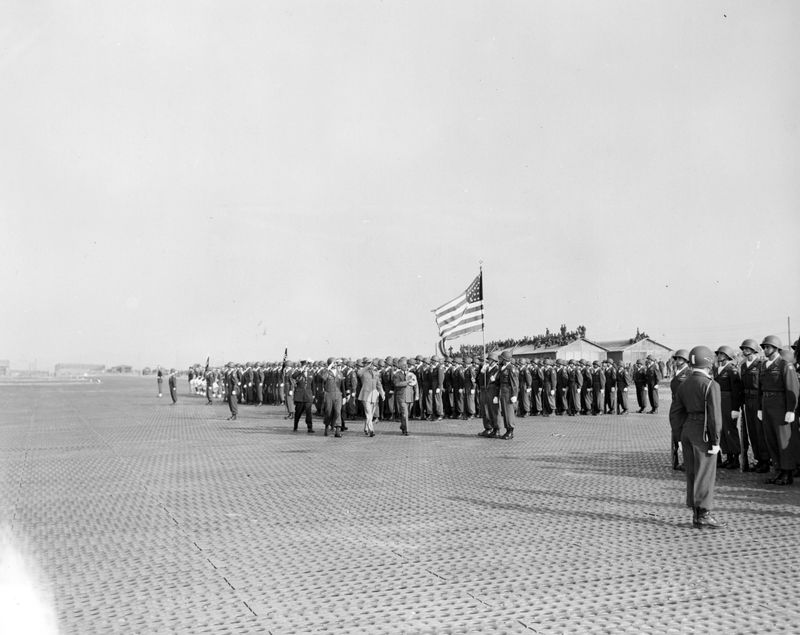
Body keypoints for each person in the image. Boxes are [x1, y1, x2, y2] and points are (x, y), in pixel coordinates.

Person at [669, 346, 727, 529]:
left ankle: (696, 513)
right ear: (708, 363)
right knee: (705, 474)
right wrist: (716, 440)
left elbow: (675, 413)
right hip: (704, 432)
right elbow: (714, 416)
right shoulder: (711, 385)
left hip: (687, 430)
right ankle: (704, 514)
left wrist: (679, 437)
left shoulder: (683, 383)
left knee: (692, 473)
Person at [758, 335, 799, 485]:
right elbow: (759, 389)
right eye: (764, 347)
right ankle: (778, 470)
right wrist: (759, 408)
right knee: (771, 439)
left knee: (783, 439)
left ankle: (787, 472)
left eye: (768, 347)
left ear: (776, 348)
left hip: (780, 405)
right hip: (766, 403)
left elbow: (792, 388)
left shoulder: (784, 365)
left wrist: (791, 409)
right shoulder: (763, 365)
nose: (765, 349)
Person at [739, 339, 767, 473]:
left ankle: (764, 460)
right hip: (747, 400)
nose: (745, 351)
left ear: (754, 350)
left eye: (748, 349)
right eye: (744, 349)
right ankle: (757, 458)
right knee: (752, 431)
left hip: (757, 399)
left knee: (760, 431)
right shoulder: (743, 366)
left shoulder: (761, 364)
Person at [713, 346, 742, 470]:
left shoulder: (732, 370)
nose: (719, 356)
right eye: (719, 354)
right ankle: (728, 456)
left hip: (729, 401)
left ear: (728, 356)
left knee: (730, 429)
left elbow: (736, 390)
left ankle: (735, 458)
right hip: (719, 401)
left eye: (722, 354)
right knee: (723, 430)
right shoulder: (718, 369)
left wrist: (735, 408)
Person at [669, 350, 691, 470]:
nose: (677, 361)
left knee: (683, 433)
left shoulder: (689, 373)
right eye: (676, 359)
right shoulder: (676, 372)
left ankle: (687, 461)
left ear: (686, 360)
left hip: (683, 407)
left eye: (680, 359)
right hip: (676, 406)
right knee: (677, 431)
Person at [358, 358, 385, 437]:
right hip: (365, 394)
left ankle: (366, 428)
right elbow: (359, 373)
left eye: (370, 363)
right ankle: (371, 430)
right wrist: (366, 367)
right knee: (368, 412)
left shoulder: (375, 372)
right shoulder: (363, 372)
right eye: (367, 363)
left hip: (374, 395)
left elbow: (378, 384)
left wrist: (382, 393)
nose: (370, 364)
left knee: (371, 413)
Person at [319, 358, 345, 437]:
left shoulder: (340, 373)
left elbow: (342, 386)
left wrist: (344, 396)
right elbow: (322, 378)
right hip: (329, 394)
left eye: (335, 363)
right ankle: (326, 427)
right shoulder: (326, 373)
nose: (335, 365)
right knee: (328, 411)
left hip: (338, 394)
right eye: (333, 363)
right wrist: (328, 368)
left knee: (337, 411)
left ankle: (337, 431)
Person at [496, 350, 519, 439]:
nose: (500, 359)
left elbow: (514, 383)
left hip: (509, 392)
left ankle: (510, 431)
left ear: (505, 359)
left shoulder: (511, 368)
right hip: (503, 391)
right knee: (505, 412)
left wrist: (514, 395)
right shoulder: (503, 367)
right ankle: (507, 429)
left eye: (501, 358)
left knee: (509, 412)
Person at [292, 359, 315, 433]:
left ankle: (310, 427)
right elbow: (293, 376)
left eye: (307, 366)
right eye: (304, 366)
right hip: (299, 396)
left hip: (308, 395)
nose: (306, 367)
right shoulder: (298, 373)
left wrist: (313, 394)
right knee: (298, 412)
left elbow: (313, 384)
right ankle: (295, 426)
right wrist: (300, 371)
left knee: (309, 413)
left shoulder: (311, 373)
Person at [393, 357, 416, 435]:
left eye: (406, 365)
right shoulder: (396, 375)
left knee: (407, 413)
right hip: (402, 396)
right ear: (400, 366)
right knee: (404, 413)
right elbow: (397, 384)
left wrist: (417, 395)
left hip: (409, 396)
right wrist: (406, 382)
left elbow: (415, 384)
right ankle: (406, 430)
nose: (406, 366)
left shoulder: (411, 373)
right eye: (403, 365)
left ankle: (403, 426)